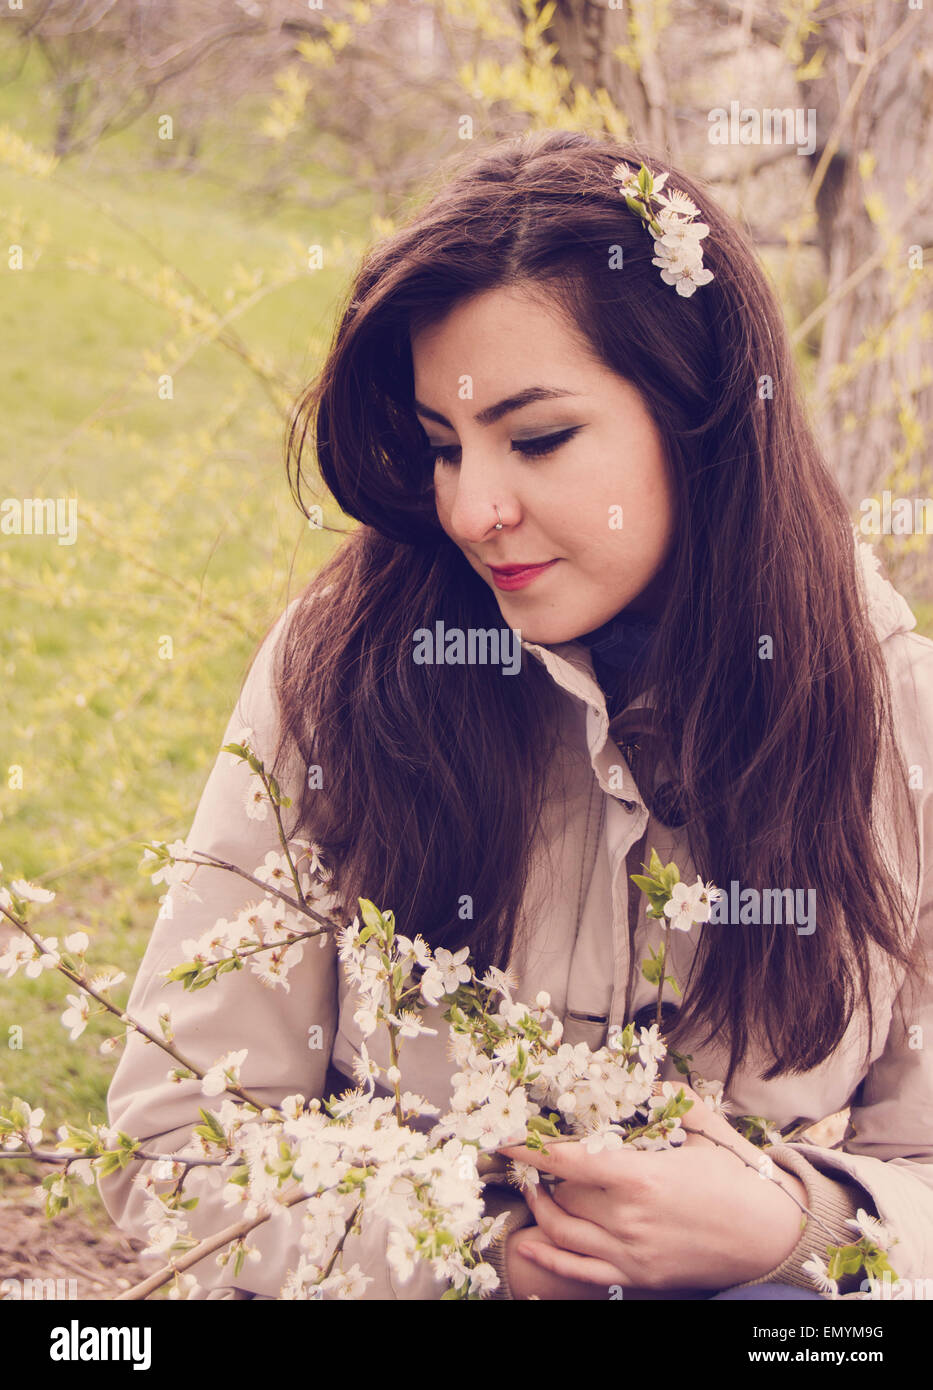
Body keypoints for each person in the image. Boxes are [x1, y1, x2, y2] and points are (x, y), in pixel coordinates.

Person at [99, 129, 933, 1302]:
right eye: (446, 446)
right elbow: (177, 1148)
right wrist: (474, 1255)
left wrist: (789, 1229)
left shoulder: (890, 707)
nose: (473, 509)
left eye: (538, 439)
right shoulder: (347, 671)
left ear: (698, 419)